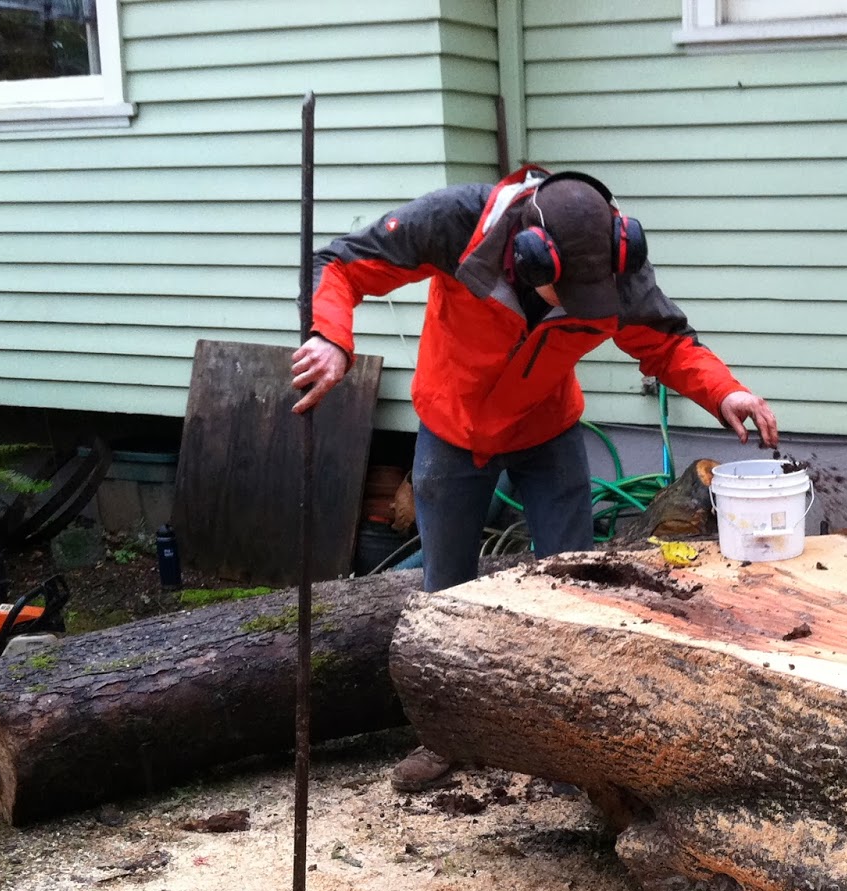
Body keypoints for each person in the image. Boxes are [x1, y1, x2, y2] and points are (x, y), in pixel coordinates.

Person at [290, 165, 780, 790]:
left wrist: (727, 393)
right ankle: (449, 738)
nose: (586, 304)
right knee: (448, 594)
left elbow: (667, 343)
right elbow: (340, 264)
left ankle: (565, 742)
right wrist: (330, 336)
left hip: (547, 429)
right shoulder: (456, 224)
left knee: (572, 586)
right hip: (454, 424)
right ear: (530, 258)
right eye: (569, 292)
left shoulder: (615, 266)